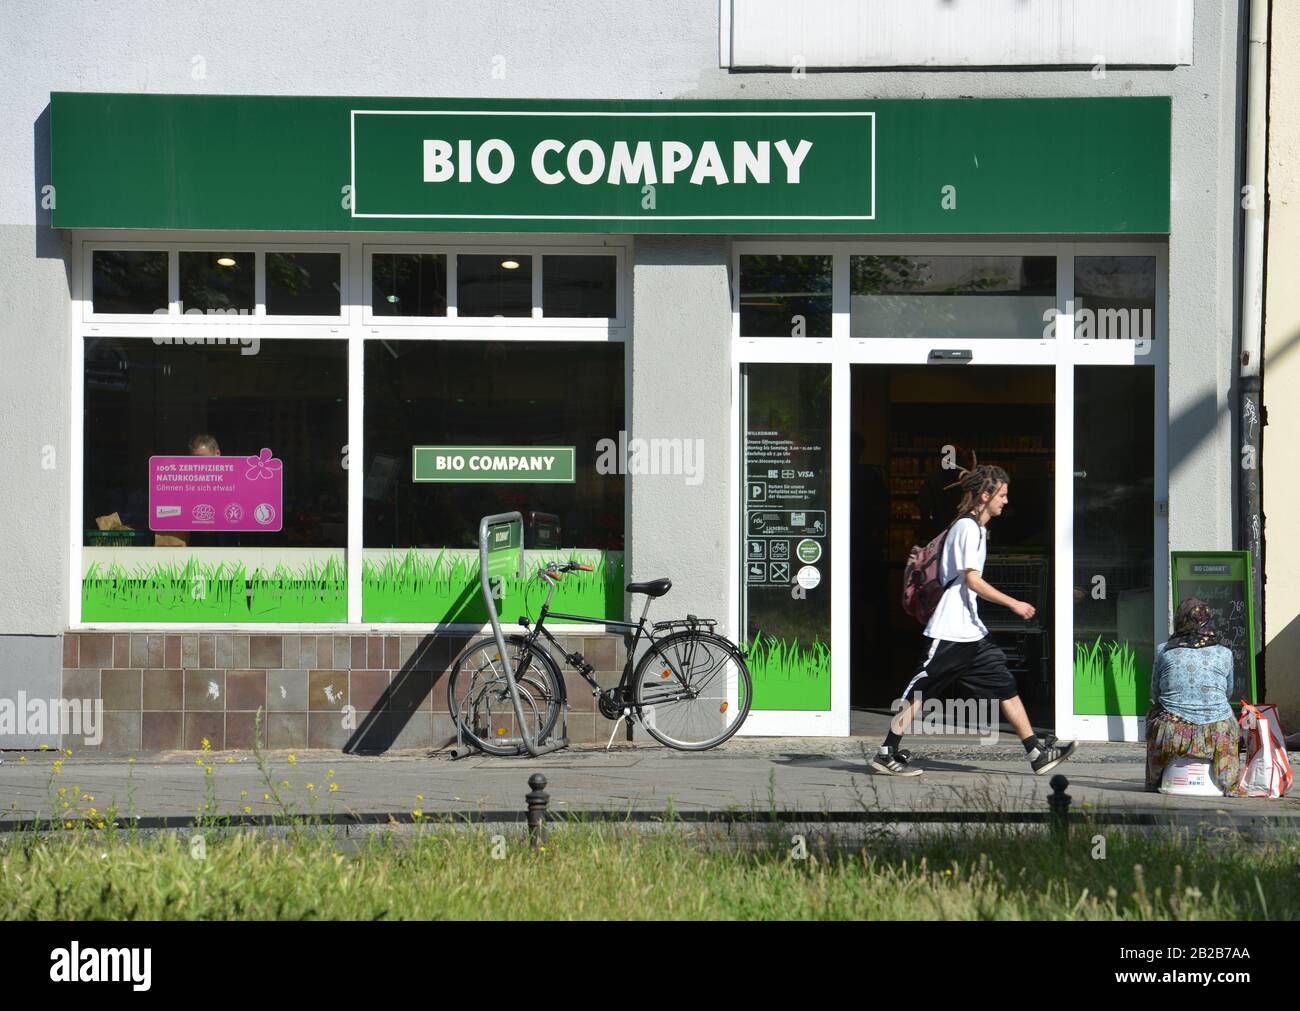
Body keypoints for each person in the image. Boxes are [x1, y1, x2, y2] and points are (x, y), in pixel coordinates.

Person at [871, 464, 1076, 776]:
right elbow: (971, 579)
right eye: (1002, 495)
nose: (1006, 501)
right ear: (985, 495)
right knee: (920, 690)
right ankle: (887, 751)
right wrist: (1014, 603)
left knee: (1005, 685)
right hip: (951, 628)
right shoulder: (966, 528)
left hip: (971, 631)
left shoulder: (977, 529)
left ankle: (1036, 752)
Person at [1145, 598, 1242, 795]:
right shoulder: (1224, 653)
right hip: (1217, 732)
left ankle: (1154, 781)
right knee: (1228, 719)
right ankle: (1228, 783)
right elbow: (1228, 692)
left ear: (1180, 620)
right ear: (1208, 621)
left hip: (1171, 733)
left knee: (1155, 715)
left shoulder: (1163, 650)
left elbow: (1155, 693)